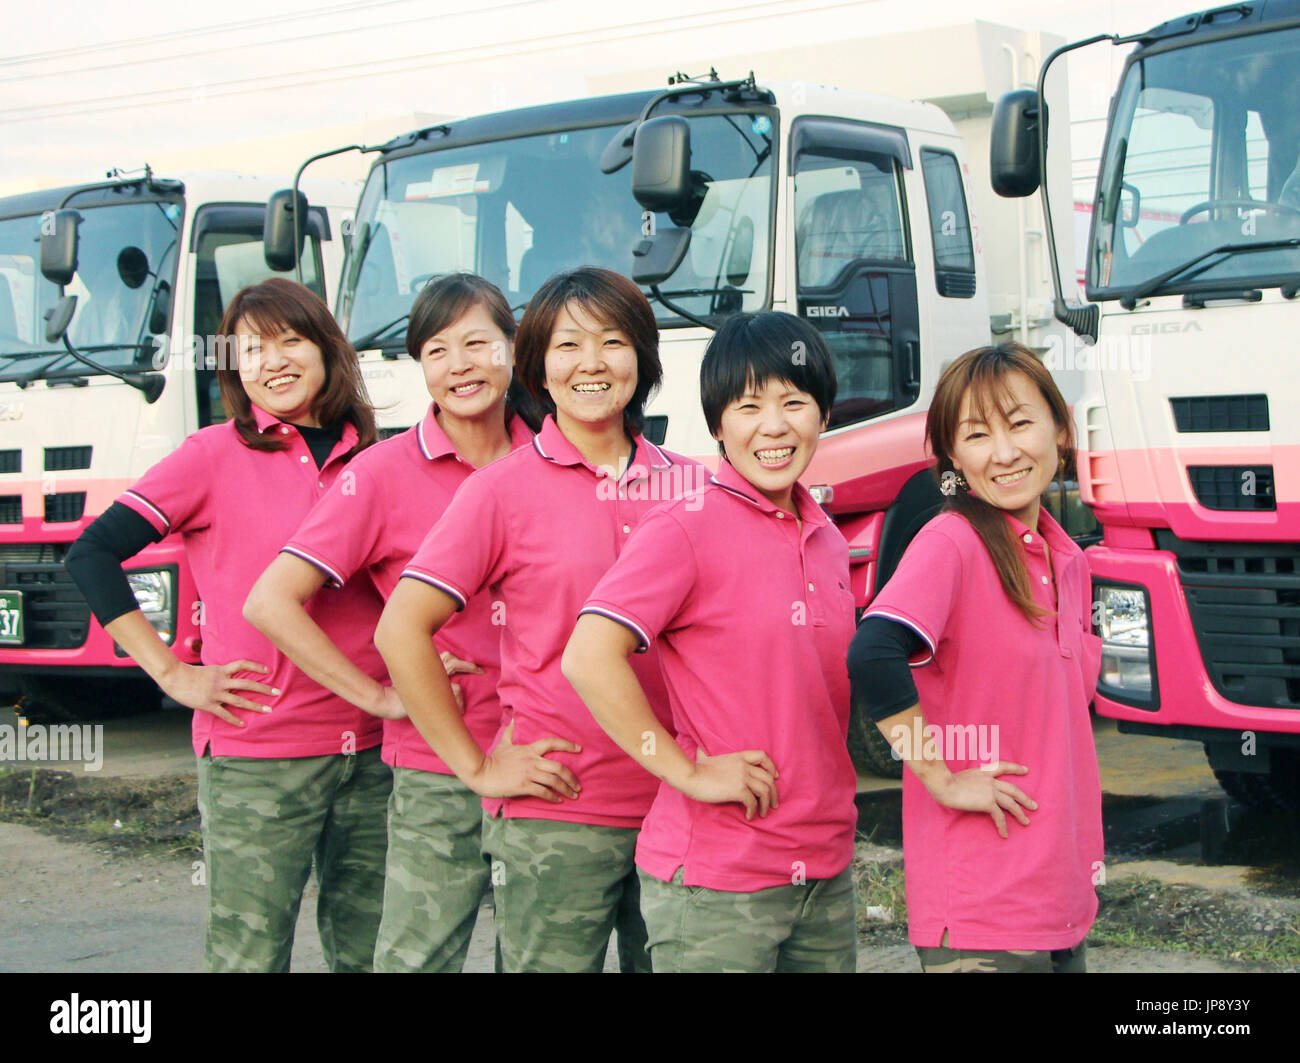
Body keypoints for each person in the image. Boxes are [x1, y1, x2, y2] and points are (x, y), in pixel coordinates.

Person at [374, 266, 704, 973]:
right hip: (559, 814)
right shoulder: (502, 488)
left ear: (642, 359)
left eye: (613, 341)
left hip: (683, 812)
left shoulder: (692, 485)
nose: (591, 363)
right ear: (539, 369)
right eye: (567, 345)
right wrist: (476, 765)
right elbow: (400, 627)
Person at [64, 277, 391, 973]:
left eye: (290, 340)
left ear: (327, 349)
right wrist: (171, 670)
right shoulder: (213, 455)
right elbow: (92, 553)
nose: (272, 360)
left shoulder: (377, 456)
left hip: (377, 747)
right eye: (250, 348)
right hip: (258, 755)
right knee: (249, 956)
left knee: (373, 953)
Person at [243, 273, 534, 973]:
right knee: (417, 958)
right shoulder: (378, 474)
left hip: (549, 759)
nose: (459, 365)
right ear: (420, 366)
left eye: (476, 342)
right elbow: (270, 601)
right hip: (440, 766)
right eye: (437, 350)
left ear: (514, 349)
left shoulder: (556, 456)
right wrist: (377, 697)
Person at [563, 311, 858, 973]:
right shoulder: (687, 524)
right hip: (718, 884)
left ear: (825, 414)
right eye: (749, 406)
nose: (774, 426)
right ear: (719, 424)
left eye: (794, 402)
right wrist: (686, 770)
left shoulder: (828, 538)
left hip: (825, 871)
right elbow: (588, 655)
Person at [847, 341, 1103, 973]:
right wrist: (941, 776)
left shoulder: (1065, 557)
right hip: (983, 911)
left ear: (1060, 428)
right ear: (954, 458)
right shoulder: (951, 542)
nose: (1006, 452)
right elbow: (873, 650)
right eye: (978, 435)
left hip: (1059, 897)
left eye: (1020, 423)